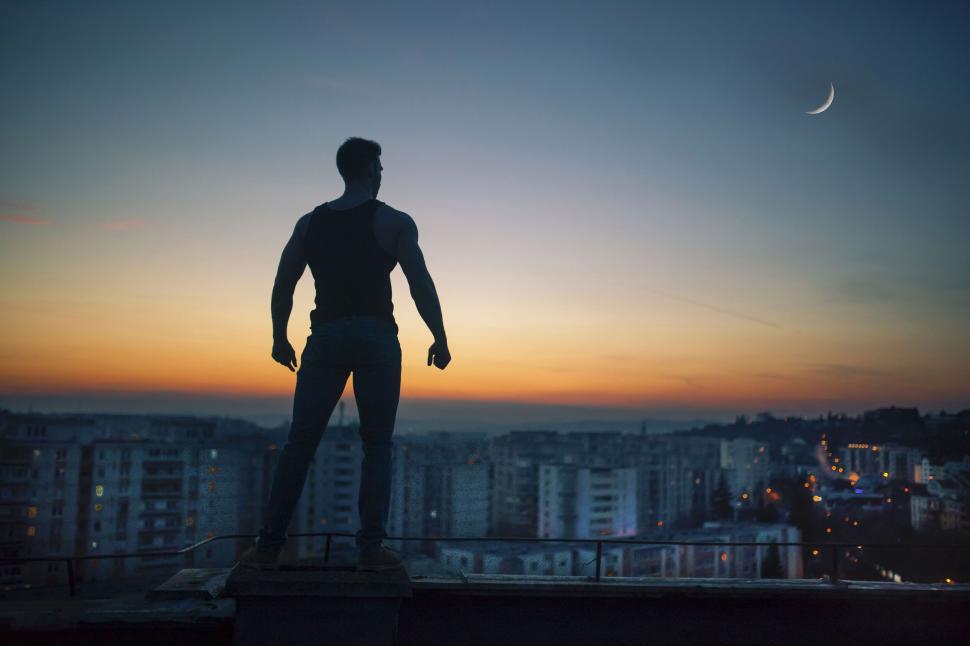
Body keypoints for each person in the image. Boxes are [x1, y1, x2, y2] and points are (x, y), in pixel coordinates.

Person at [239, 137, 450, 572]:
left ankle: (267, 547)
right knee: (377, 446)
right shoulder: (394, 221)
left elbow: (284, 284)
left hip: (327, 337)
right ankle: (371, 549)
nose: (381, 174)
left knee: (300, 444)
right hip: (376, 338)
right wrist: (439, 336)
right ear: (372, 169)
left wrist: (279, 337)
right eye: (381, 167)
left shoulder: (308, 224)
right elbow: (419, 282)